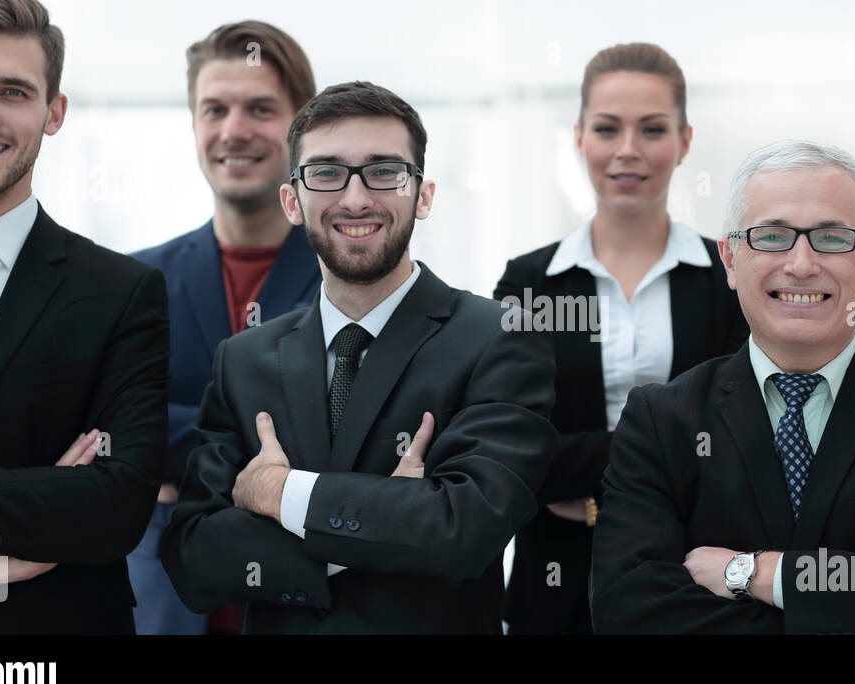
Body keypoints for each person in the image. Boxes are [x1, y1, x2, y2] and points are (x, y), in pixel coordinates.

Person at [160, 81, 559, 634]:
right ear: (292, 201)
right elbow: (193, 557)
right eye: (326, 173)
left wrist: (279, 493)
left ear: (422, 194)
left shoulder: (498, 338)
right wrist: (389, 520)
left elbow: (464, 531)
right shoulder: (244, 359)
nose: (354, 198)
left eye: (384, 171)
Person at [591, 139, 855, 634]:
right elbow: (629, 610)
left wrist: (754, 572)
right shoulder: (661, 421)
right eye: (772, 237)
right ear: (729, 258)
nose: (802, 263)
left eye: (832, 238)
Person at [0, 0, 167, 634]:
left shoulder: (122, 293)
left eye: (13, 92)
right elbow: (74, 507)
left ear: (54, 113)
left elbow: (113, 508)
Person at [494, 42, 746, 635]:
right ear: (579, 137)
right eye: (608, 128)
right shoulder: (531, 283)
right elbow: (518, 450)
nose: (628, 150)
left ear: (684, 141)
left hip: (697, 579)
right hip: (553, 584)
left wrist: (587, 498)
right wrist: (666, 465)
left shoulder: (729, 277)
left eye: (652, 129)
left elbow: (739, 447)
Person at [127, 20, 320, 636]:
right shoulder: (133, 284)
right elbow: (119, 428)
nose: (233, 130)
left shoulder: (352, 282)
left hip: (307, 601)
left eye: (259, 108)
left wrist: (174, 464)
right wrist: (265, 463)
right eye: (214, 109)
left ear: (301, 130)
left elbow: (342, 436)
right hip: (167, 605)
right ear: (193, 125)